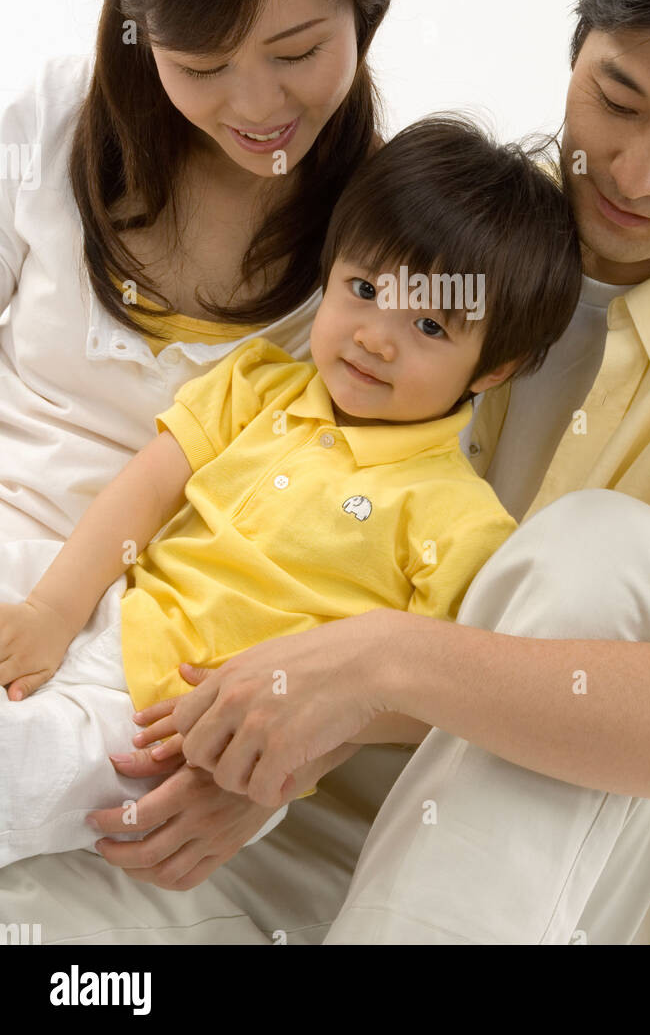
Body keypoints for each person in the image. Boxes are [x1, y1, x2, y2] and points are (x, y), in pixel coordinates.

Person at [1, 0, 650, 943]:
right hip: (253, 813)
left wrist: (371, 668)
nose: (635, 173)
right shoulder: (444, 230)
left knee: (602, 552)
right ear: (573, 49)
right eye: (614, 98)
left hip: (513, 874)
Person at [0, 116, 582, 864]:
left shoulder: (457, 517)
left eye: (431, 325)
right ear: (329, 269)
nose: (376, 335)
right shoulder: (258, 382)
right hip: (115, 603)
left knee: (23, 767)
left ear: (493, 369)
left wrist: (289, 743)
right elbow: (144, 489)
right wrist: (53, 608)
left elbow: (430, 697)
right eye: (365, 288)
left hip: (177, 720)